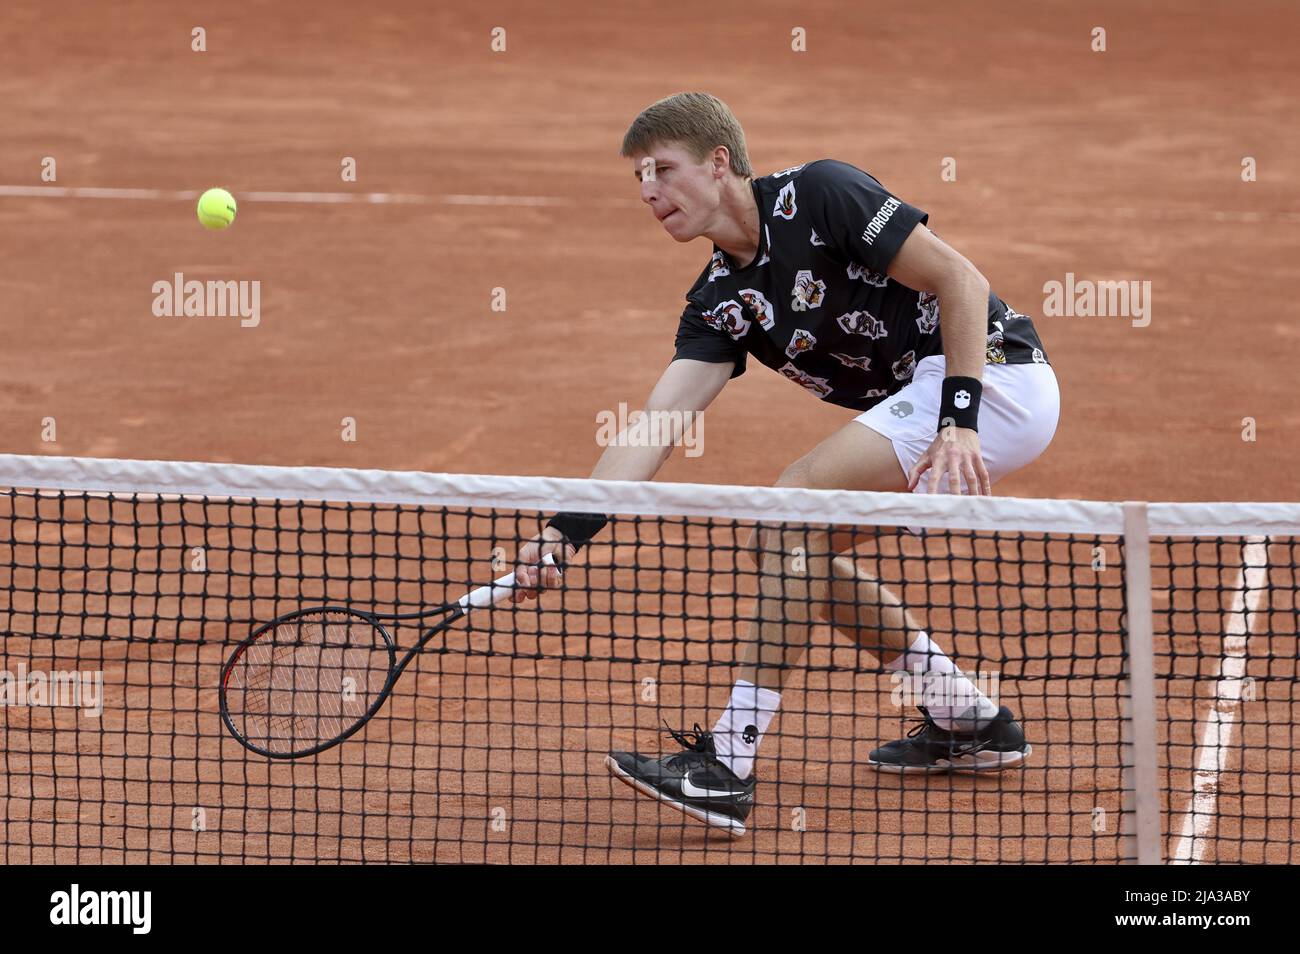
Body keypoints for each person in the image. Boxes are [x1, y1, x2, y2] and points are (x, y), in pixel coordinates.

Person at [511, 92, 1059, 836]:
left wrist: (959, 422)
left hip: (993, 378)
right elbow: (657, 425)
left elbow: (961, 280)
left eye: (663, 170)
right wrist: (561, 535)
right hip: (929, 403)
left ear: (719, 162)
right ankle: (968, 717)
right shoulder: (719, 302)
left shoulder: (822, 195)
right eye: (639, 178)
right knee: (783, 545)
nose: (649, 191)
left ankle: (727, 766)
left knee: (791, 503)